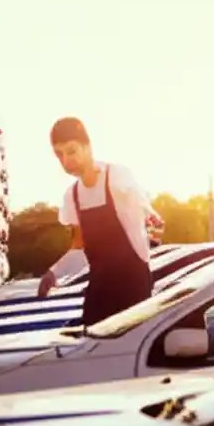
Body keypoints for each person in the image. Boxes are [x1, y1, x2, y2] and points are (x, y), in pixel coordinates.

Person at [38, 117, 163, 325]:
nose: (66, 161)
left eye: (71, 151)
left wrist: (151, 228)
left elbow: (151, 218)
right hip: (100, 292)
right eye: (59, 155)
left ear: (87, 146)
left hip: (134, 290)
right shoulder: (72, 196)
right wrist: (53, 274)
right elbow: (79, 247)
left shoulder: (117, 177)